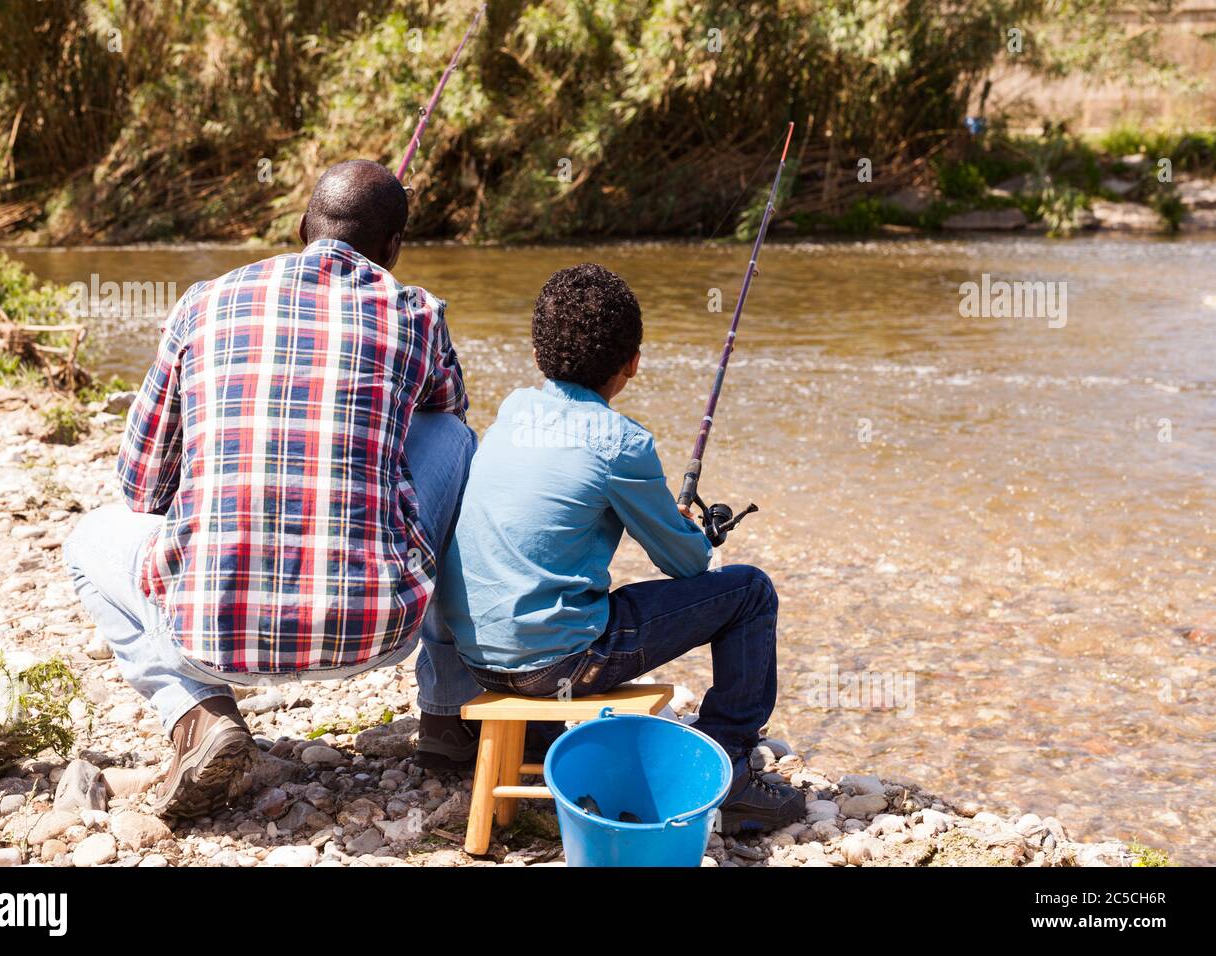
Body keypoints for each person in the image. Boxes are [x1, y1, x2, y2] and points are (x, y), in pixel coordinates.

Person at [63, 160, 483, 819]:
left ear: (299, 229)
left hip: (202, 637)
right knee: (456, 441)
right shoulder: (416, 311)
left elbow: (140, 487)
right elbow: (447, 413)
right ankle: (446, 717)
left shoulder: (202, 302)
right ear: (394, 249)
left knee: (88, 540)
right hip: (379, 631)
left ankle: (198, 713)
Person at [440, 263, 805, 833]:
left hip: (480, 658)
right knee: (751, 592)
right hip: (557, 664)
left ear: (539, 356)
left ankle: (543, 740)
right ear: (632, 363)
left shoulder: (514, 409)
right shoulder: (623, 443)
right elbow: (684, 564)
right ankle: (730, 768)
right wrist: (690, 532)